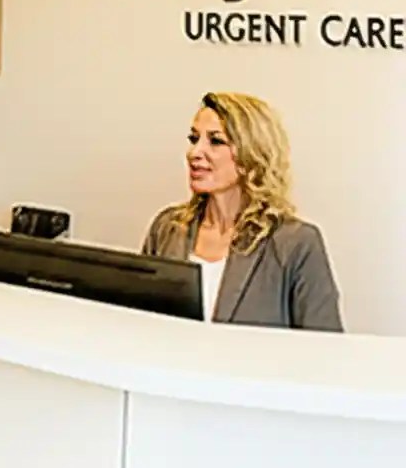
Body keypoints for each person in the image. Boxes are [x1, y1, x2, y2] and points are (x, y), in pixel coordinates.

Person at [141, 92, 343, 330]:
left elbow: (326, 348)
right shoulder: (167, 227)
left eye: (215, 141)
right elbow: (143, 325)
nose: (194, 152)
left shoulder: (296, 243)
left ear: (251, 154)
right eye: (194, 139)